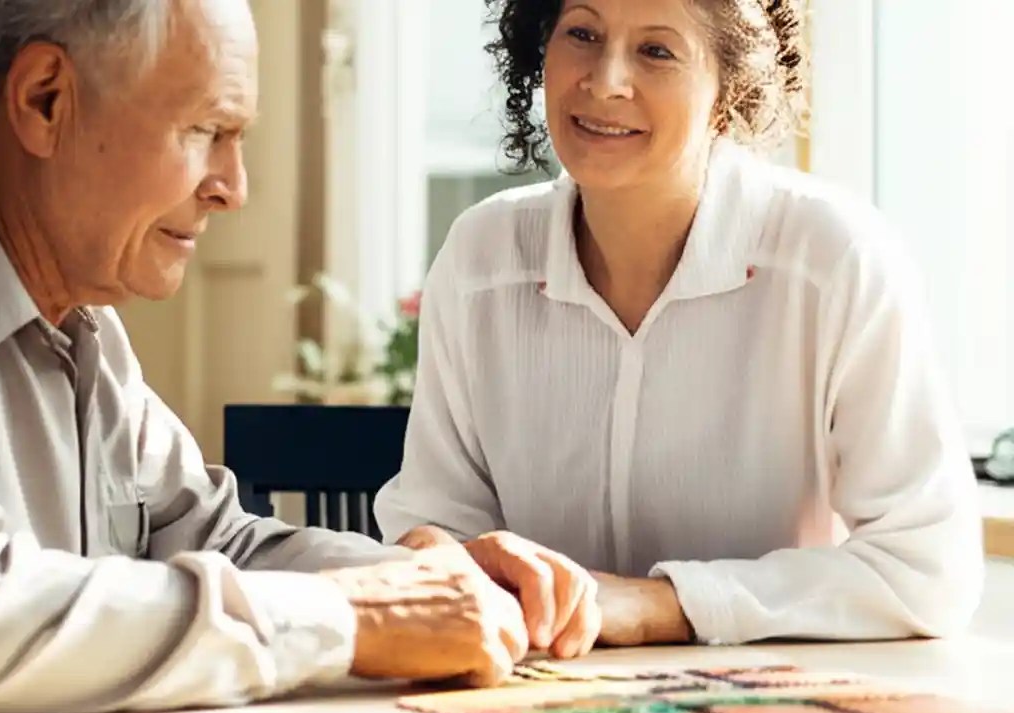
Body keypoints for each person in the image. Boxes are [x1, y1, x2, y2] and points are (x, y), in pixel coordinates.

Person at [0, 1, 531, 713]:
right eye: (205, 131)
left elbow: (220, 542)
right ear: (46, 99)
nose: (233, 187)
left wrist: (431, 579)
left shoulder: (81, 323)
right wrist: (360, 615)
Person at [375, 0, 984, 659]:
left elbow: (927, 568)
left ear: (729, 92)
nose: (605, 80)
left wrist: (653, 605)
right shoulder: (479, 259)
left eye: (657, 51)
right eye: (581, 33)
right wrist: (434, 552)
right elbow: (434, 520)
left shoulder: (833, 259)